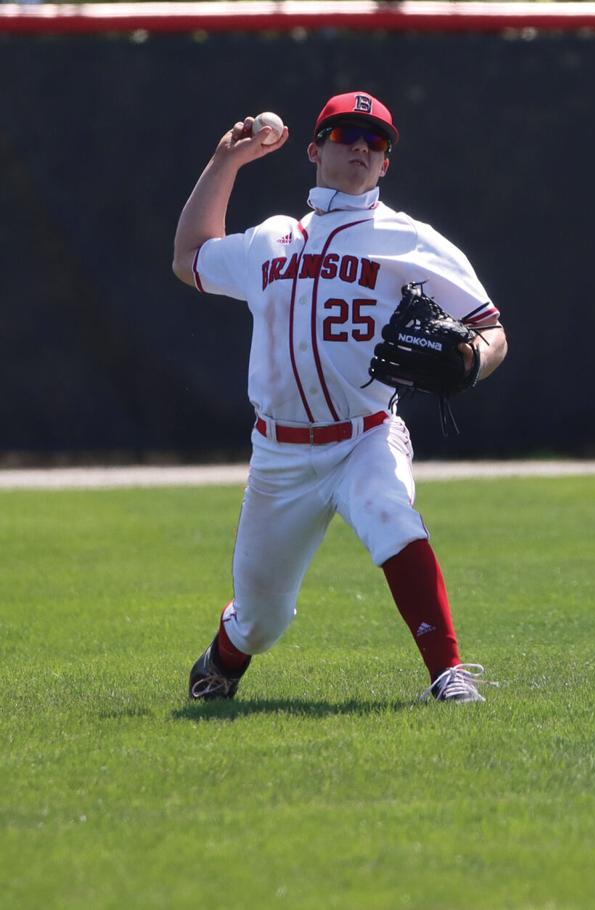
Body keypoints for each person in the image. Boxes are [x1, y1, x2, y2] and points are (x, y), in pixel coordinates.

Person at [171, 91, 507, 703]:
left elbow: (491, 329)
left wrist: (473, 362)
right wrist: (227, 160)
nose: (359, 146)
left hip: (365, 435)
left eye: (374, 142)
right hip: (280, 455)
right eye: (345, 135)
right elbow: (189, 258)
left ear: (384, 165)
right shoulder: (271, 240)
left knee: (390, 516)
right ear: (314, 150)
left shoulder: (409, 240)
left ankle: (448, 673)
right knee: (261, 618)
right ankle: (223, 655)